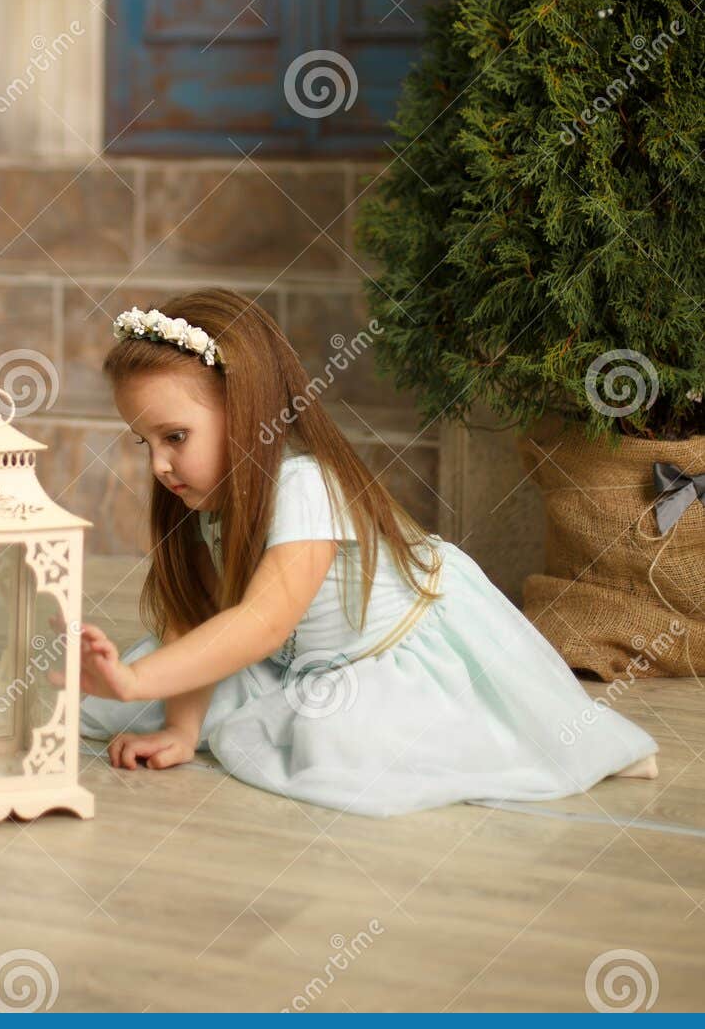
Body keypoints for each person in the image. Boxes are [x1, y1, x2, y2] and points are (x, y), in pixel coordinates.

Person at [77, 288, 659, 817]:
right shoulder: (207, 504)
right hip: (303, 662)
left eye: (175, 437)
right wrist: (180, 729)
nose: (158, 465)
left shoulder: (303, 485)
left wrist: (136, 680)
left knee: (330, 743)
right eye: (145, 442)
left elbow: (261, 623)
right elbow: (198, 617)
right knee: (134, 696)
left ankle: (515, 734)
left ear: (247, 411)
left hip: (390, 651)